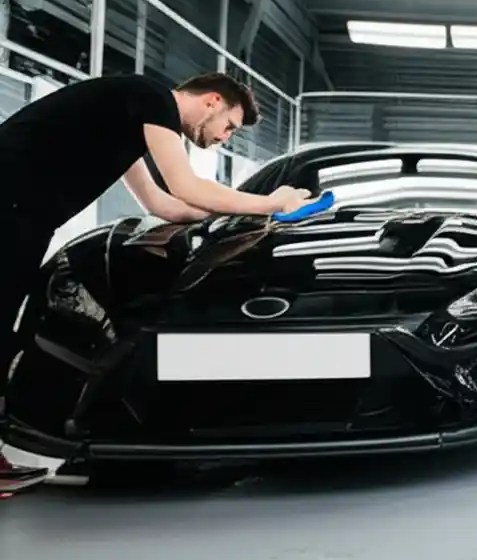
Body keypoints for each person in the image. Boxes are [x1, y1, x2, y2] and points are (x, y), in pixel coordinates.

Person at [0, 72, 313, 486]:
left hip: (24, 217)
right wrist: (271, 202)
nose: (225, 137)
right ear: (212, 101)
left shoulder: (126, 121)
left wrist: (238, 215)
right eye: (230, 126)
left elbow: (163, 203)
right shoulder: (149, 97)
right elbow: (186, 186)